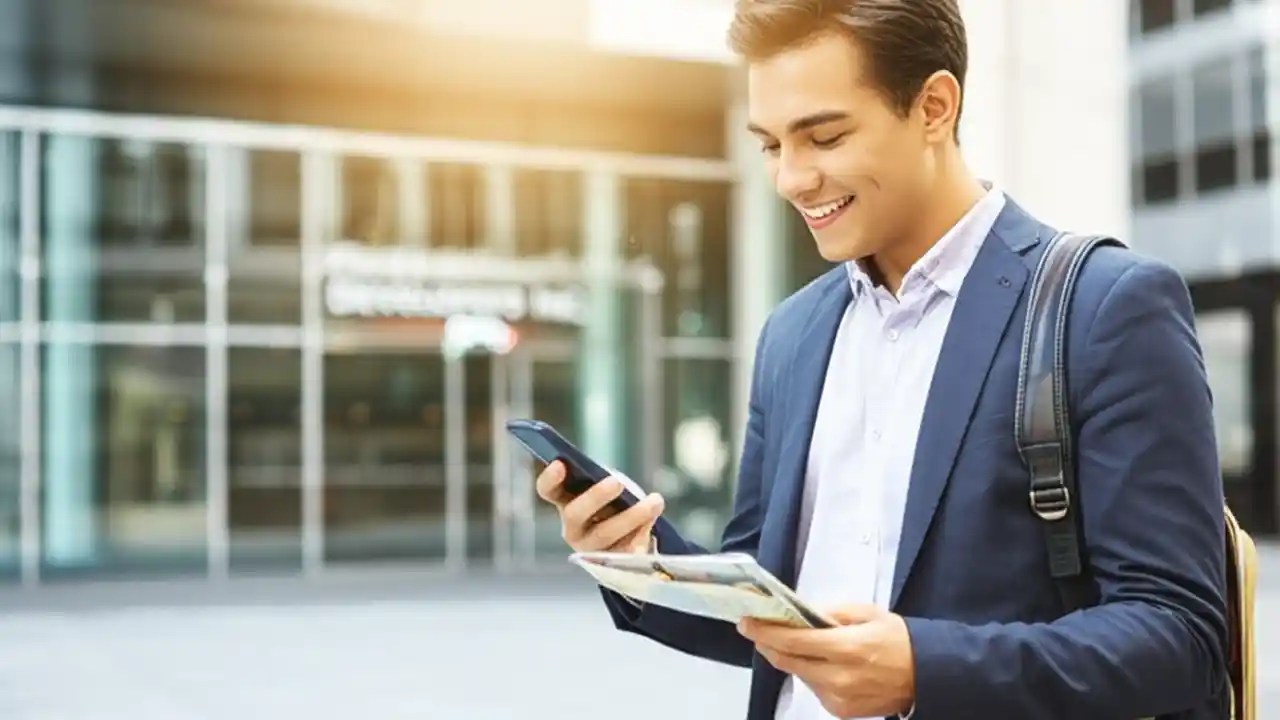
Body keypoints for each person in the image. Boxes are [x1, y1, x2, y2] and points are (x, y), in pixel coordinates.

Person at [534, 1, 1229, 718]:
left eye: (825, 137)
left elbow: (1181, 634)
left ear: (933, 107)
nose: (792, 178)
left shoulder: (1105, 308)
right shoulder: (793, 334)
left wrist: (926, 670)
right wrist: (640, 557)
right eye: (770, 145)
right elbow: (764, 610)